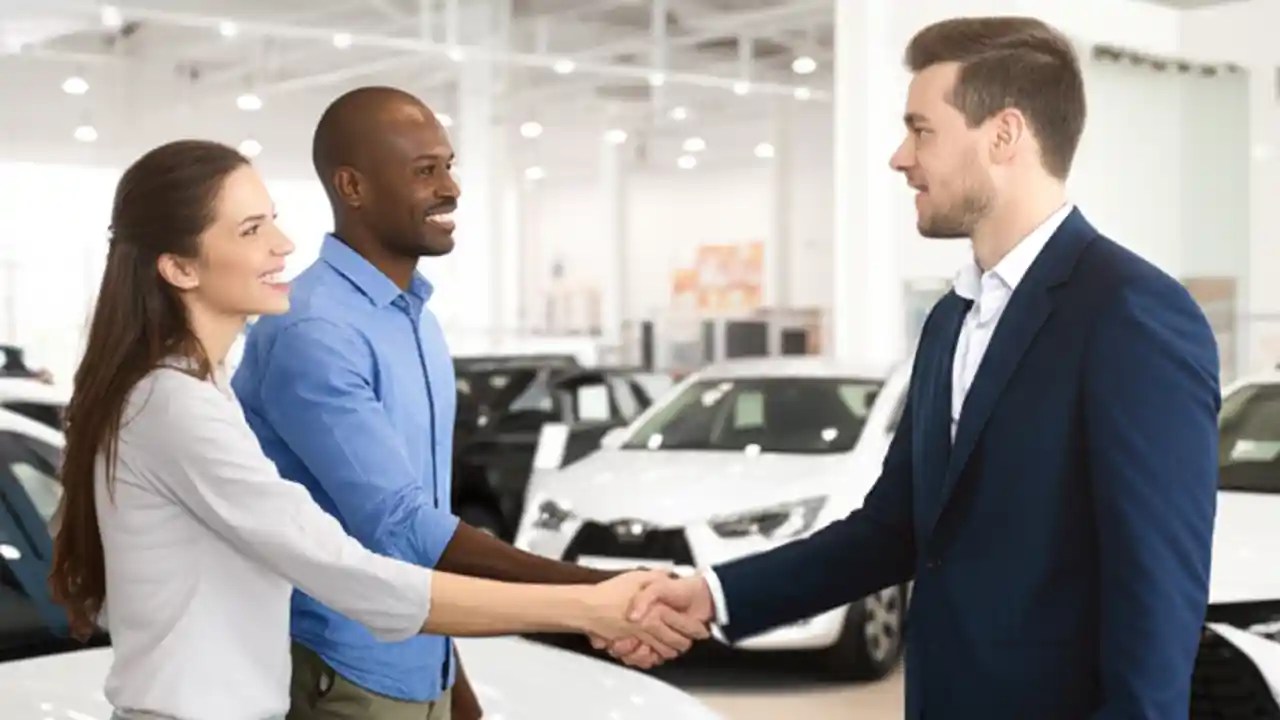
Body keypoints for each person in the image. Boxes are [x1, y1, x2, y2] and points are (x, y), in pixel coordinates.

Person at [624, 16, 1221, 719]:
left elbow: (1156, 593)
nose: (900, 158)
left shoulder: (1131, 314)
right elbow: (894, 530)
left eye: (921, 129)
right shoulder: (951, 320)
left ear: (1004, 135)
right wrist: (715, 594)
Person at [47, 139, 703, 720]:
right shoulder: (175, 403)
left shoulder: (195, 390)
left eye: (273, 219)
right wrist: (591, 607)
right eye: (251, 230)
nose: (284, 244)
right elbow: (347, 569)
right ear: (180, 267)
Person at [230, 86, 699, 720]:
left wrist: (456, 687)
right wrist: (599, 594)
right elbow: (399, 526)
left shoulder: (415, 318)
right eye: (425, 171)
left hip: (421, 660)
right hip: (341, 670)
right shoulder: (313, 331)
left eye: (448, 166)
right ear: (353, 187)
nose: (451, 189)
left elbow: (424, 529)